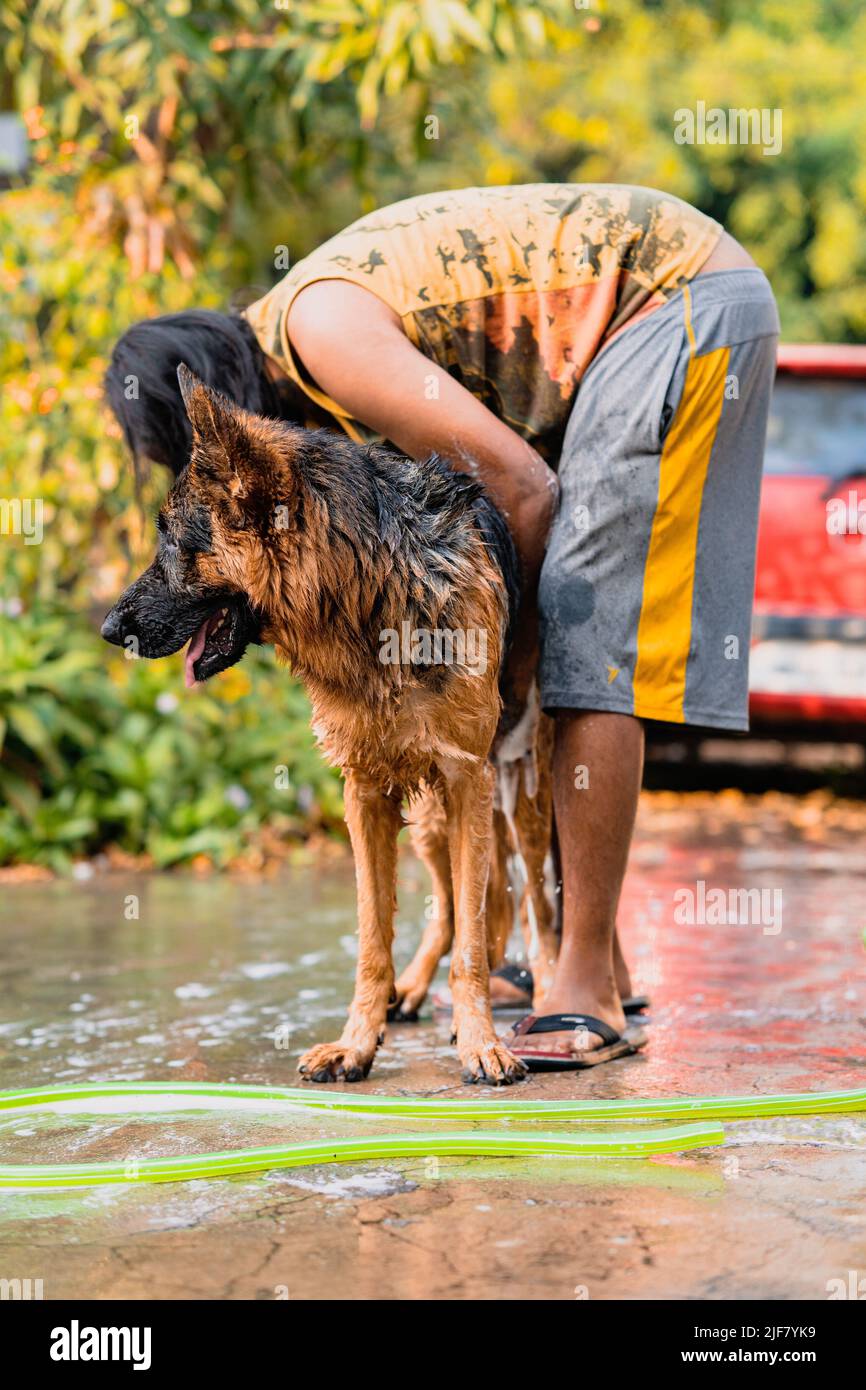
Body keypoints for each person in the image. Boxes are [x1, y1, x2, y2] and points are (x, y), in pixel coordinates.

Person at [105, 184, 779, 1068]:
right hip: (668, 309)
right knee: (550, 658)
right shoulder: (309, 353)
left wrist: (500, 684)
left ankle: (583, 986)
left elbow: (523, 489)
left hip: (681, 303)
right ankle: (588, 948)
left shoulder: (323, 334)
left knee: (580, 631)